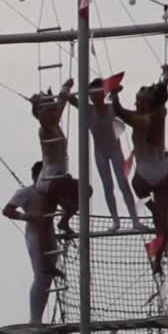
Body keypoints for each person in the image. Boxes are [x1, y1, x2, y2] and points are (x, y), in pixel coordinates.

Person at [111, 65, 168, 272]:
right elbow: (161, 97)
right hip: (162, 171)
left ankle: (158, 221)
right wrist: (165, 77)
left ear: (146, 104)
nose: (135, 103)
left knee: (139, 189)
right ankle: (158, 255)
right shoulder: (160, 112)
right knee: (160, 221)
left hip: (145, 173)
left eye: (138, 101)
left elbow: (119, 112)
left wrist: (114, 94)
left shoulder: (141, 119)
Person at [64, 77, 145, 232]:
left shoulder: (111, 108)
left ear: (102, 94)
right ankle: (115, 221)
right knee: (108, 187)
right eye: (92, 95)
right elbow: (70, 99)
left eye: (98, 94)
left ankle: (135, 221)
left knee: (123, 184)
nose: (95, 98)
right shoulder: (88, 110)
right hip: (100, 153)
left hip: (115, 151)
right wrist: (67, 87)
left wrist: (114, 91)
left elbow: (119, 90)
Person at [4, 161, 62, 325]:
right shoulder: (26, 192)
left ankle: (38, 317)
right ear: (35, 177)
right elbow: (7, 210)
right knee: (41, 276)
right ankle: (34, 319)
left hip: (49, 232)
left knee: (48, 277)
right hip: (35, 234)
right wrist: (26, 216)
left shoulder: (52, 192)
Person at [29, 80, 82, 235]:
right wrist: (39, 101)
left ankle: (64, 221)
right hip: (48, 179)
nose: (53, 109)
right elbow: (44, 116)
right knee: (67, 185)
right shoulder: (44, 128)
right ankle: (61, 214)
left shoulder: (54, 122)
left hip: (59, 176)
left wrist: (66, 88)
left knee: (85, 191)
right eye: (48, 107)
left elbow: (60, 103)